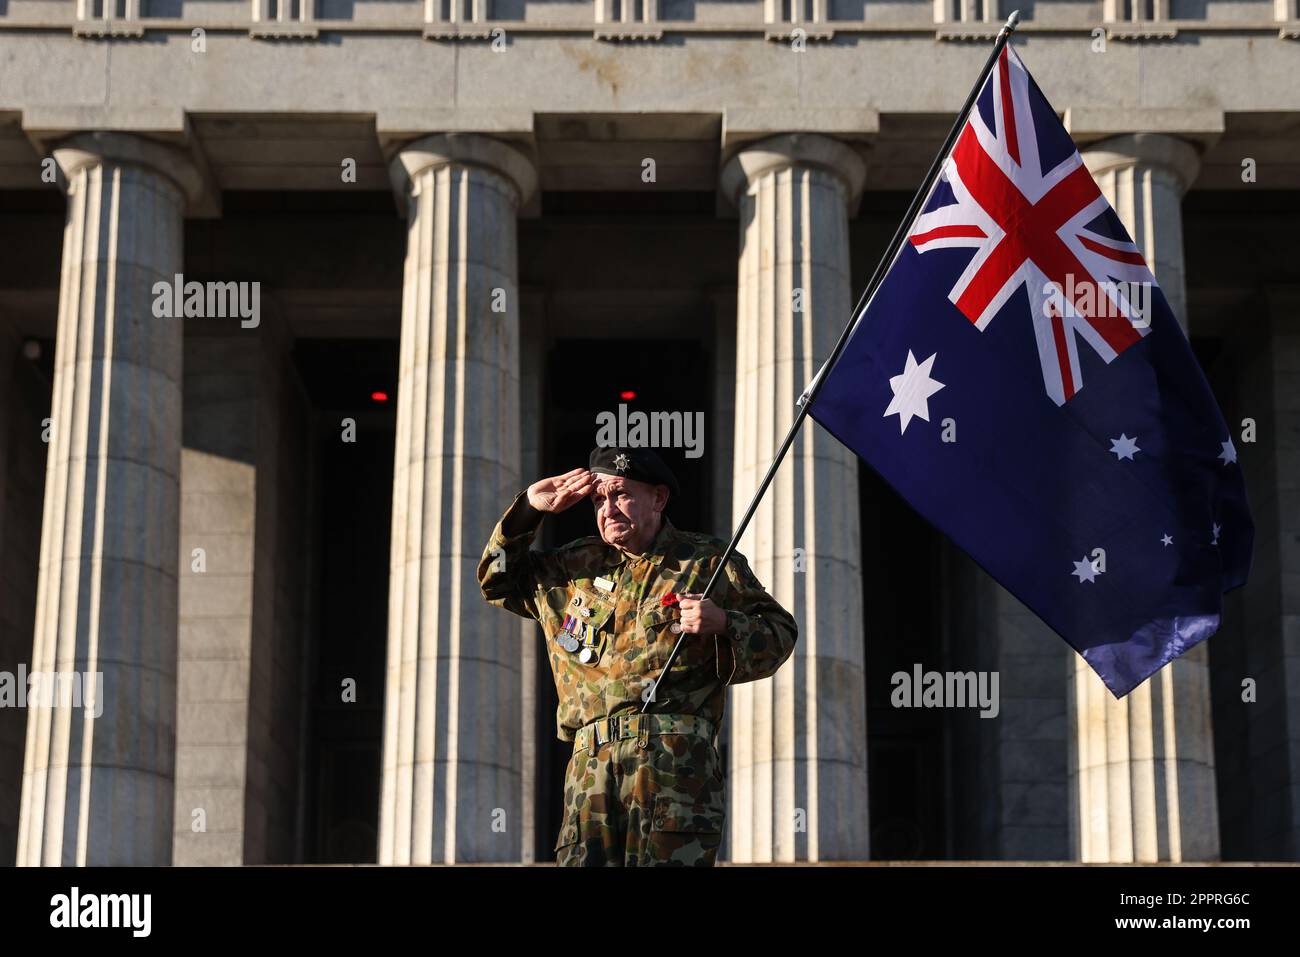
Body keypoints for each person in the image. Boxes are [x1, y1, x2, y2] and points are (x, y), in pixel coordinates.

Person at [477, 445, 798, 866]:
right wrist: (528, 509)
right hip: (591, 767)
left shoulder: (708, 561)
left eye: (621, 494)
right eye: (598, 499)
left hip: (674, 766)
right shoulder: (572, 566)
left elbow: (780, 633)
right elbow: (496, 582)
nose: (608, 508)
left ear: (658, 499)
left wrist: (724, 622)